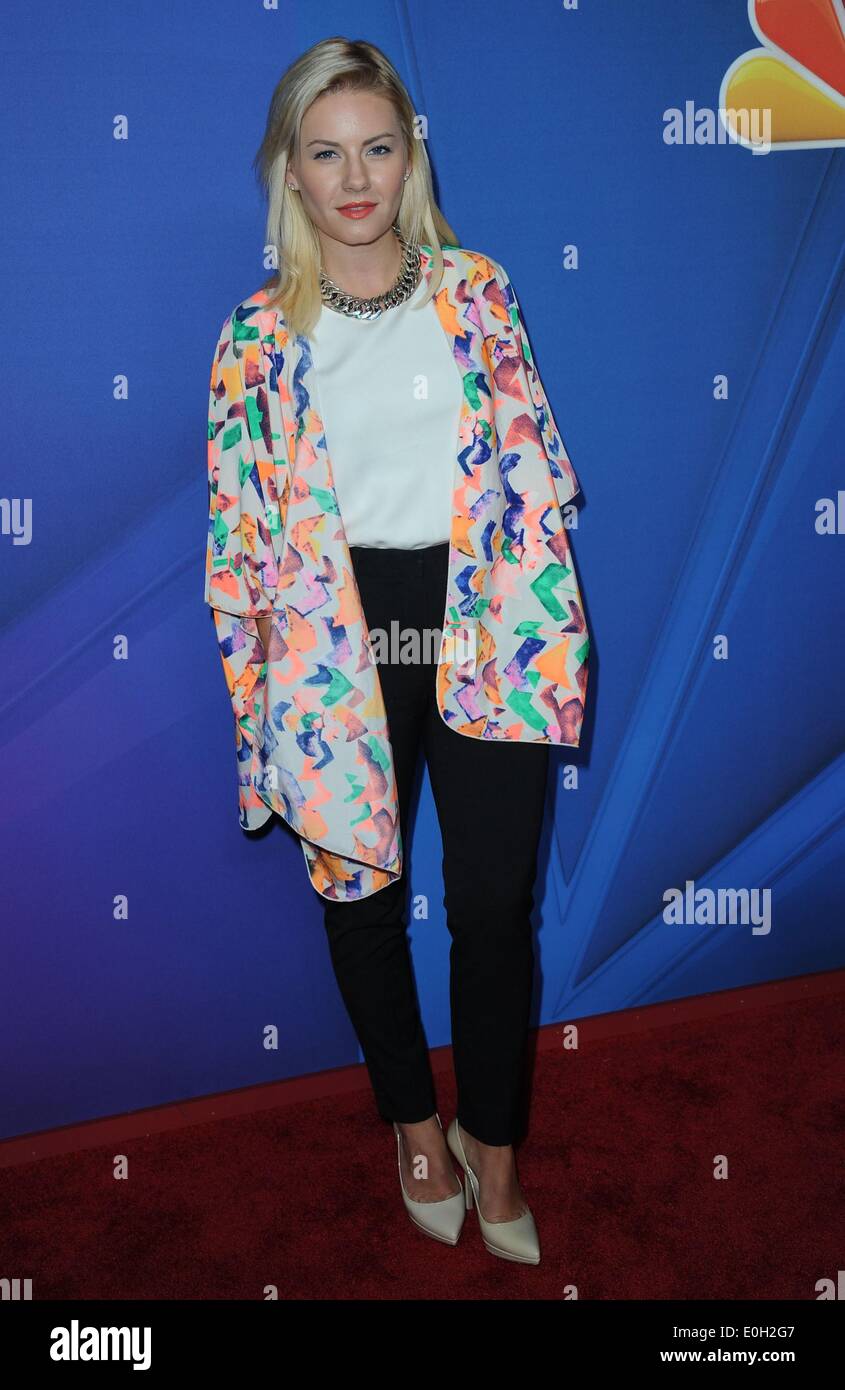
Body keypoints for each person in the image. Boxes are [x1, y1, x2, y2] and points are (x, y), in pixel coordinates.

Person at [204, 36, 590, 1266]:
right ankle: (413, 1128)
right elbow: (239, 541)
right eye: (325, 153)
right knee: (362, 901)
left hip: (480, 614)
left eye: (376, 146)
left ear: (408, 155)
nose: (354, 175)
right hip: (334, 633)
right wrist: (261, 700)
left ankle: (495, 1143)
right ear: (291, 175)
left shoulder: (477, 290)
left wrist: (541, 628)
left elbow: (537, 481)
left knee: (490, 905)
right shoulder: (255, 340)